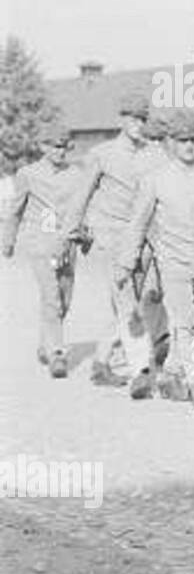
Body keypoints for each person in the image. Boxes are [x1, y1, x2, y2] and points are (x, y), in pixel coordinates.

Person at [118, 108, 194, 415]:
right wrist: (127, 261)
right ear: (172, 143)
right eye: (182, 140)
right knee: (185, 319)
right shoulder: (156, 180)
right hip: (173, 261)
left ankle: (172, 374)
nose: (189, 145)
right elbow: (137, 223)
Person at [68, 92, 163, 394]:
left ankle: (100, 364)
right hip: (111, 237)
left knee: (124, 304)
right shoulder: (102, 153)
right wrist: (71, 231)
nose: (138, 124)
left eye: (143, 119)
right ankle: (142, 371)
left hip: (145, 239)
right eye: (133, 118)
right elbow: (80, 195)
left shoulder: (156, 154)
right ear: (122, 119)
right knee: (127, 304)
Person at [2, 121, 85, 379]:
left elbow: (83, 208)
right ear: (43, 147)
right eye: (55, 146)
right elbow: (15, 210)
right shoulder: (28, 173)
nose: (61, 152)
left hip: (68, 243)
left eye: (64, 147)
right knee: (51, 297)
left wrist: (86, 235)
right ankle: (57, 353)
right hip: (41, 242)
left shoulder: (76, 173)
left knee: (65, 298)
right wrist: (8, 240)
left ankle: (45, 343)